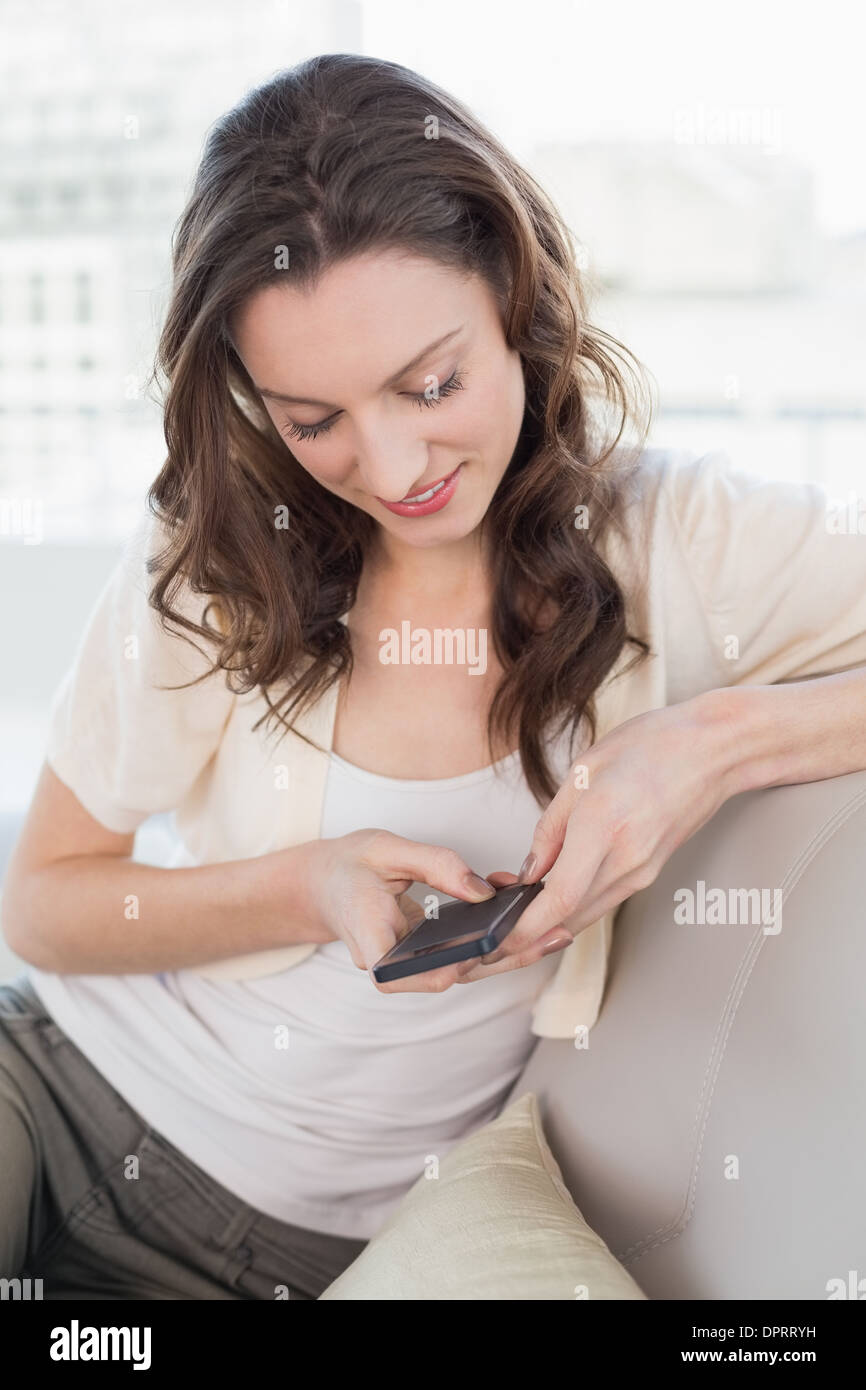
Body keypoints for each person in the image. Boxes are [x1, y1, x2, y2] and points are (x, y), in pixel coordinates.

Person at [2, 53, 866, 1302]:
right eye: (313, 418)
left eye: (432, 382)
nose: (391, 460)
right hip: (55, 1091)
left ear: (515, 299)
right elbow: (43, 905)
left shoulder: (682, 541)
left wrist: (713, 743)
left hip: (308, 1251)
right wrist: (308, 886)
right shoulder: (224, 549)